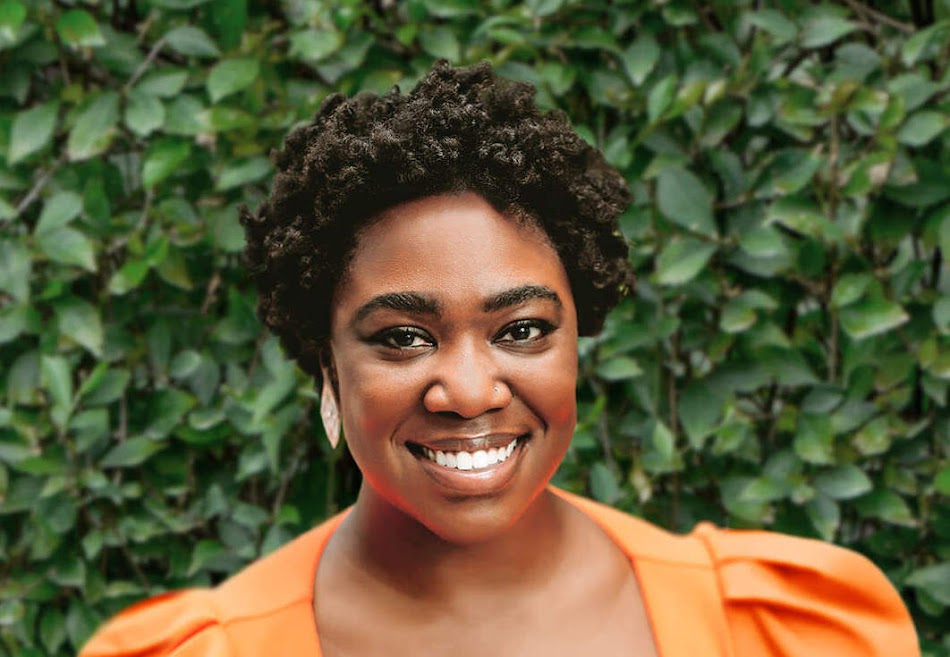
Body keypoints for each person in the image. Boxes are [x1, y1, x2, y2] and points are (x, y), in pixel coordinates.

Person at [79, 61, 919, 657]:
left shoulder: (784, 630)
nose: (471, 389)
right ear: (324, 366)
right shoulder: (201, 651)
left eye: (521, 329)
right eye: (402, 337)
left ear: (577, 340)